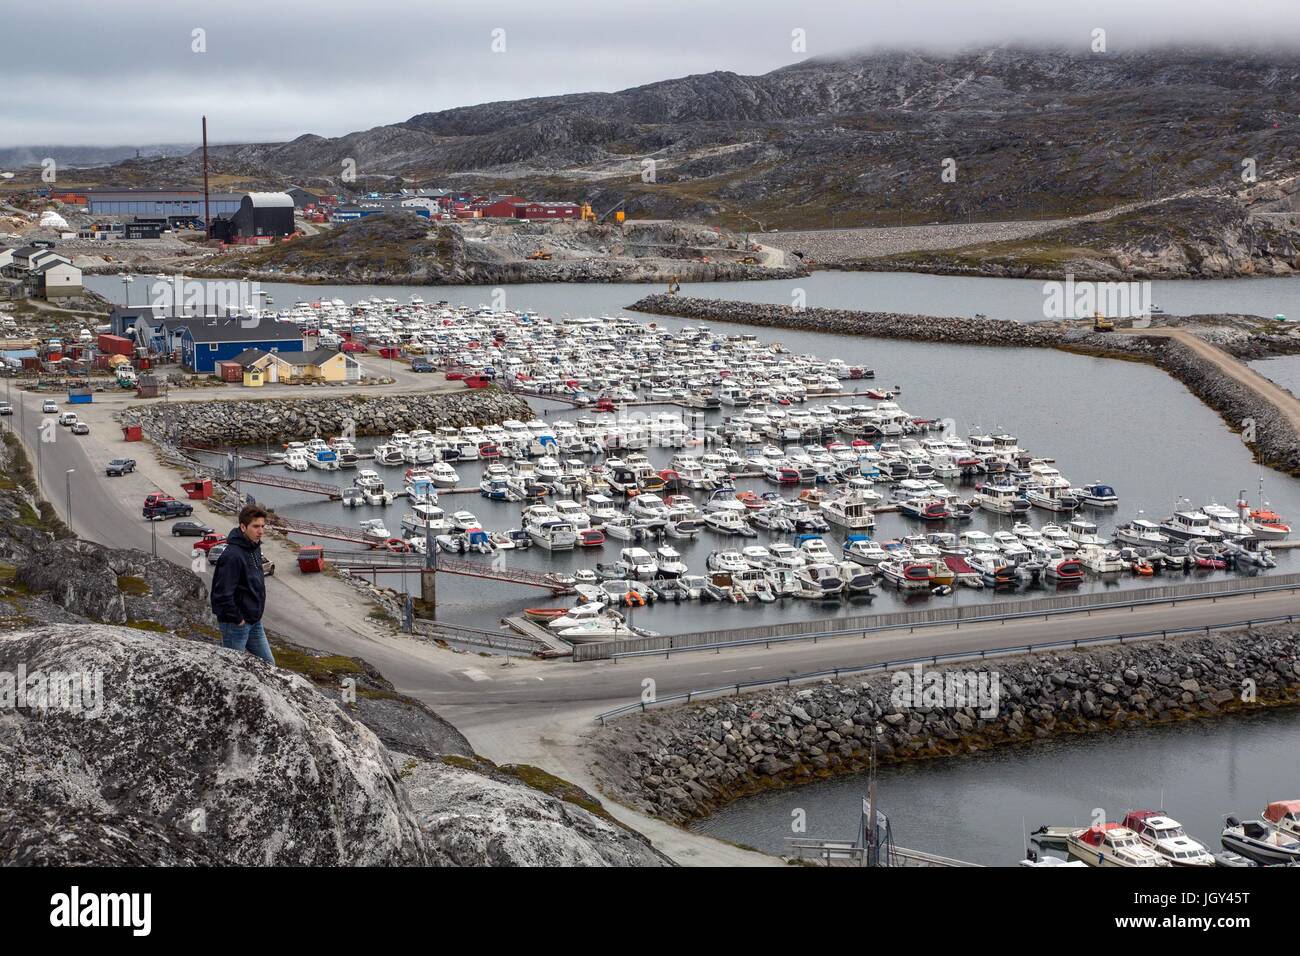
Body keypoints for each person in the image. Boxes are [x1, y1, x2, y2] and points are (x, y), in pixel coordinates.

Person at [211, 504, 274, 664]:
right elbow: (222, 594)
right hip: (236, 625)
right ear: (243, 527)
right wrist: (238, 619)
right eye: (255, 526)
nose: (260, 531)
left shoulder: (254, 547)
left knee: (270, 665)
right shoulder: (233, 555)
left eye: (262, 526)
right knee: (233, 667)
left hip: (254, 621)